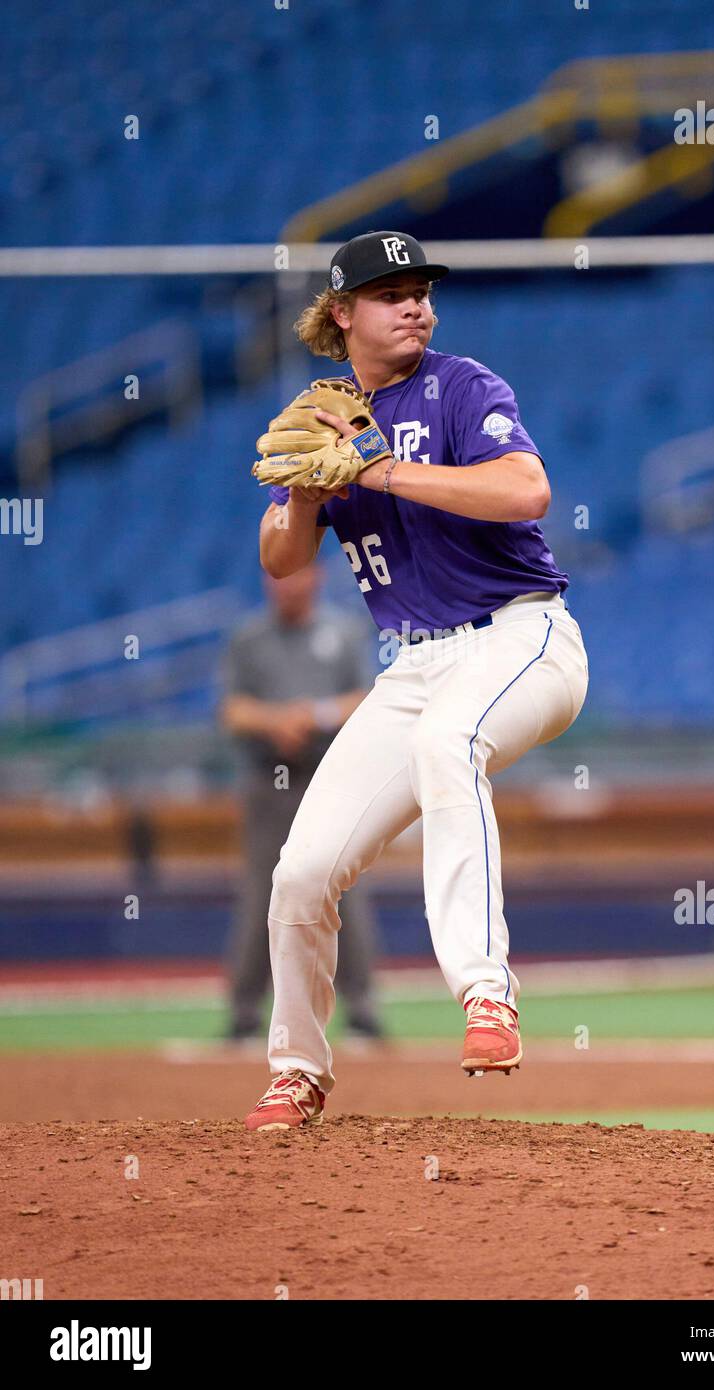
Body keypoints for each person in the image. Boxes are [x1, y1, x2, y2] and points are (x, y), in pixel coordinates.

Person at [244, 229, 588, 1132]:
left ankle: (486, 996)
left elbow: (525, 491)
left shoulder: (463, 386)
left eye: (422, 289)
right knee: (302, 873)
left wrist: (382, 469)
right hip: (413, 664)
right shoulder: (330, 415)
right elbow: (280, 560)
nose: (415, 304)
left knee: (449, 743)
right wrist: (313, 494)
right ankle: (296, 1071)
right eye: (391, 291)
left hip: (523, 636)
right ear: (341, 313)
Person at [220, 563, 385, 1046]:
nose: (287, 584)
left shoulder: (343, 631)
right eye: (277, 576)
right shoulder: (248, 639)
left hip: (331, 780)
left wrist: (310, 716)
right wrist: (276, 722)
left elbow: (367, 700)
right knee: (260, 895)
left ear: (313, 576)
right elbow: (232, 710)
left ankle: (362, 1010)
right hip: (268, 786)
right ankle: (245, 1014)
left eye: (295, 574)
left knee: (346, 893)